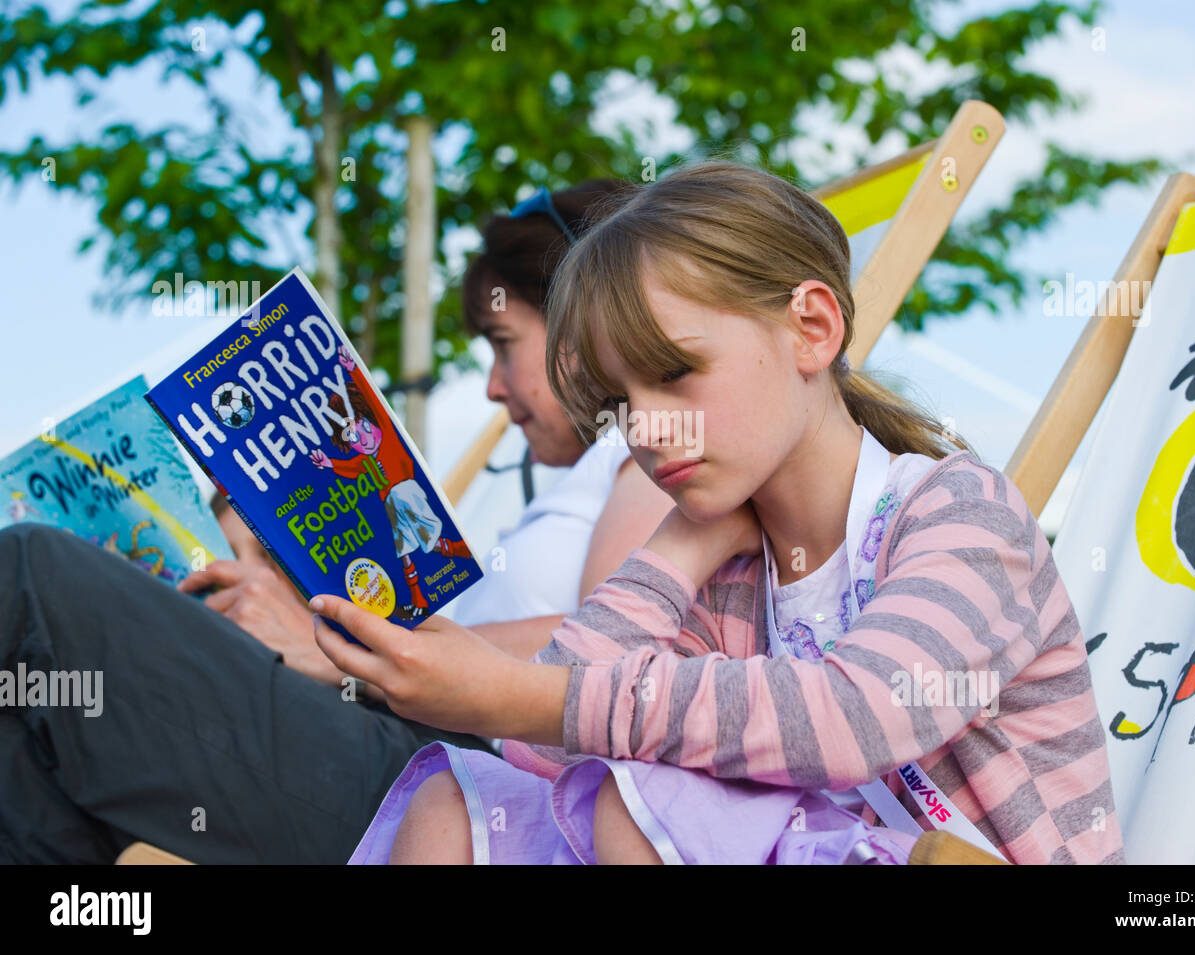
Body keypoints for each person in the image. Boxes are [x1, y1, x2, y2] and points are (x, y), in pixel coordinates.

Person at [321, 160, 1126, 866]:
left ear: (811, 328)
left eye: (673, 373)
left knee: (649, 800)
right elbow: (538, 745)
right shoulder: (737, 579)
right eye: (617, 402)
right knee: (454, 805)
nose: (645, 428)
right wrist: (679, 547)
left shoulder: (960, 514)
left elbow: (857, 715)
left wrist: (517, 694)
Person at [0, 178, 675, 864]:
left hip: (462, 774)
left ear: (579, 320)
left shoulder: (646, 452)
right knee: (24, 727)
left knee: (31, 573)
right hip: (402, 733)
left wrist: (338, 648)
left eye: (504, 342)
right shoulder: (571, 489)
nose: (494, 387)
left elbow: (614, 656)